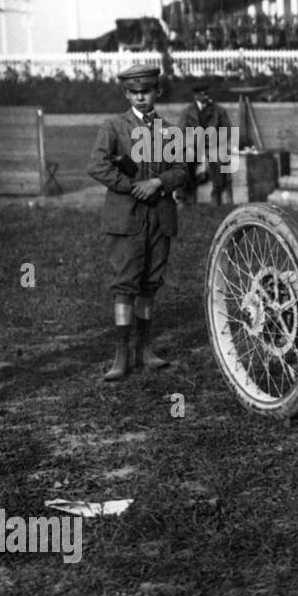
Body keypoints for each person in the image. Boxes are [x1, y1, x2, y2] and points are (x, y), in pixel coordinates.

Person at [86, 63, 190, 381]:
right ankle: (121, 354)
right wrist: (132, 186)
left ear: (157, 91)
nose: (140, 97)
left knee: (149, 284)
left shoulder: (169, 130)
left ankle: (144, 349)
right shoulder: (114, 126)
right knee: (125, 284)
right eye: (134, 92)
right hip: (126, 217)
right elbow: (97, 165)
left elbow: (181, 170)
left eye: (146, 91)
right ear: (126, 93)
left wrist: (157, 183)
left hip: (159, 217)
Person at [177, 83, 234, 205]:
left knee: (219, 160)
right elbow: (180, 132)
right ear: (196, 96)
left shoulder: (218, 111)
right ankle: (186, 197)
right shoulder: (187, 112)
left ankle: (216, 195)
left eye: (207, 93)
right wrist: (190, 145)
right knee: (183, 162)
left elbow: (227, 130)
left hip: (214, 146)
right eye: (203, 94)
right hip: (194, 147)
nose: (206, 97)